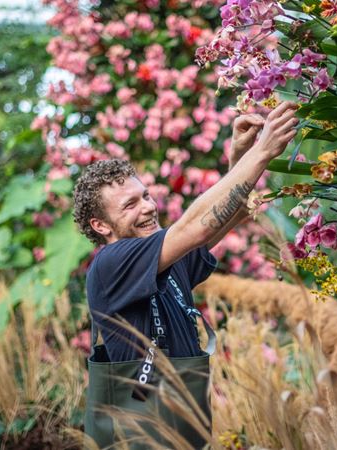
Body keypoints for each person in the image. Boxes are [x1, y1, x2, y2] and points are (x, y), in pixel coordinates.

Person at [73, 101, 298, 446]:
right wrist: (265, 150)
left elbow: (227, 214)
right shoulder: (111, 264)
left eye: (145, 195)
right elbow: (195, 229)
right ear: (101, 225)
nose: (148, 207)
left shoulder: (165, 259)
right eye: (130, 205)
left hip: (183, 433)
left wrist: (240, 154)